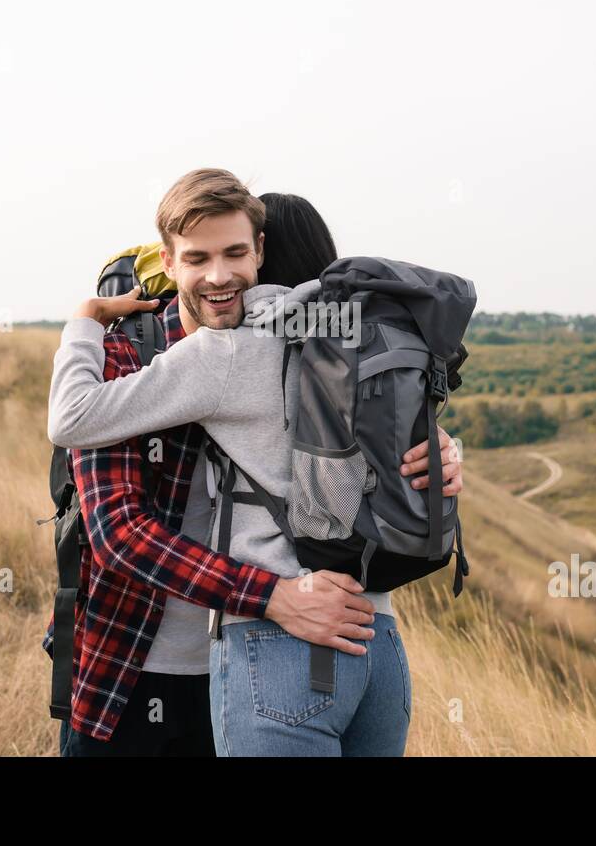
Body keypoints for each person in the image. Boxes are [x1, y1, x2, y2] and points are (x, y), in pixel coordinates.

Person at [48, 178, 463, 755]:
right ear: (169, 263)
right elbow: (119, 532)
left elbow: (69, 416)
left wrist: (83, 318)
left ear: (262, 253)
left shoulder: (236, 351)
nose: (221, 275)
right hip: (344, 640)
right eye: (200, 257)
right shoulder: (344, 348)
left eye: (236, 252)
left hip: (270, 653)